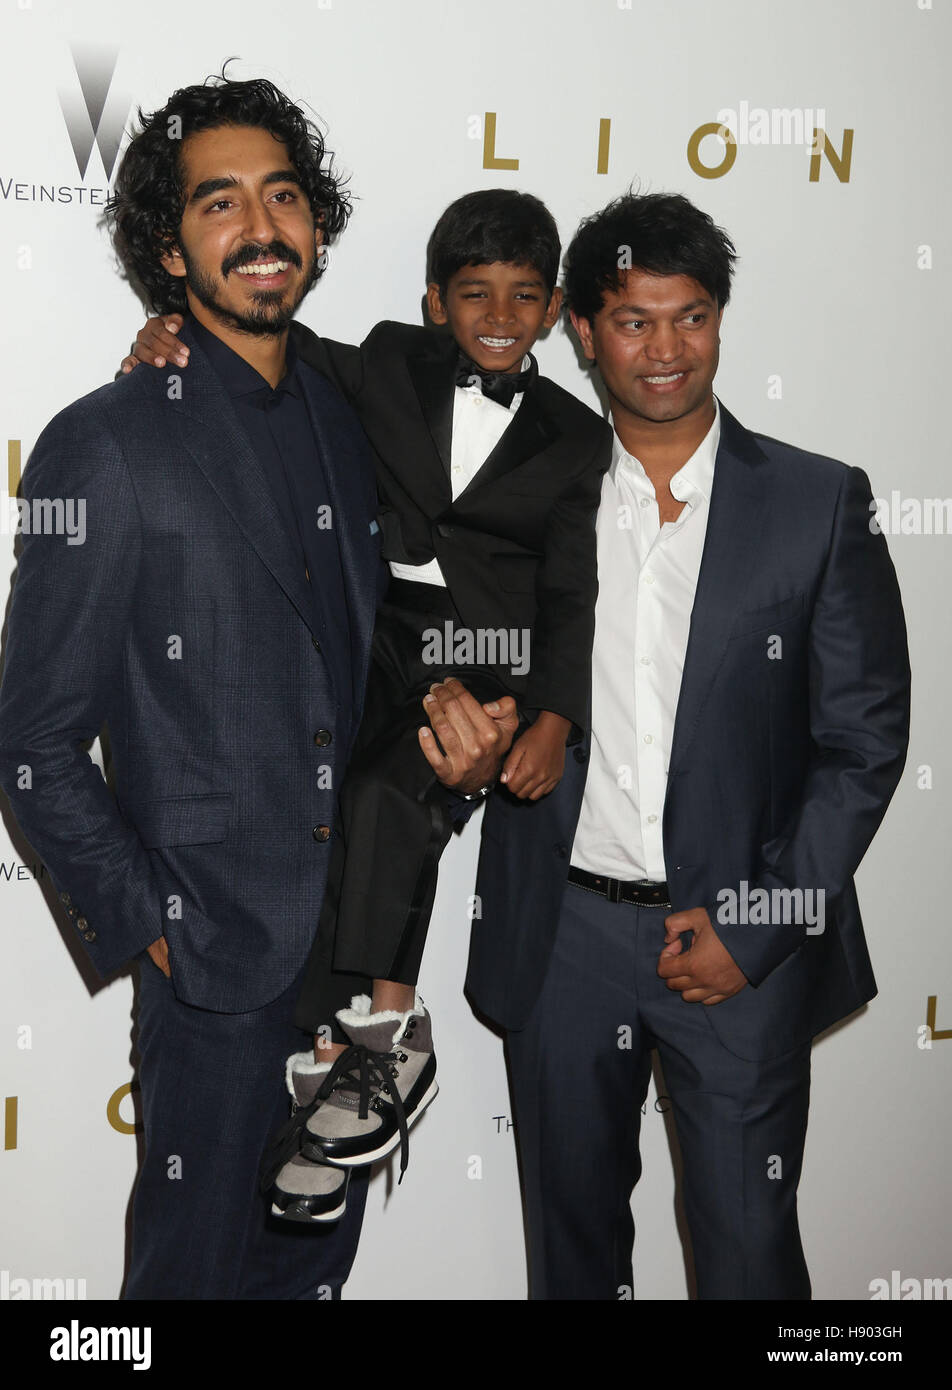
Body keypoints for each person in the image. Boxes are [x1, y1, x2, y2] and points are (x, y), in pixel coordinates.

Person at [0, 73, 509, 1298]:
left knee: (306, 1277)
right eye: (217, 203)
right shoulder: (108, 441)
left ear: (317, 227)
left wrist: (471, 735)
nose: (259, 226)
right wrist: (154, 927)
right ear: (169, 248)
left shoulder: (350, 418)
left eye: (282, 195)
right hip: (217, 960)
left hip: (353, 958)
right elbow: (31, 736)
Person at [454, 191, 912, 1299]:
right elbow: (360, 400)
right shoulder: (522, 493)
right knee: (572, 1261)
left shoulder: (814, 502)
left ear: (719, 318)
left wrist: (760, 921)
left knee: (750, 1258)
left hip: (738, 936)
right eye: (632, 320)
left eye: (690, 317)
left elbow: (863, 739)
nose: (664, 349)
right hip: (562, 933)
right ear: (582, 329)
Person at [125, 189, 613, 1215]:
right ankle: (326, 1055)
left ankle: (392, 1034)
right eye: (474, 292)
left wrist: (554, 718)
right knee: (324, 804)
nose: (498, 314)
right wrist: (171, 328)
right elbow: (288, 349)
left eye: (525, 296)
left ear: (555, 306)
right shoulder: (389, 356)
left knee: (399, 791)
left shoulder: (575, 436)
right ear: (435, 302)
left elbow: (572, 589)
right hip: (377, 638)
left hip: (486, 657)